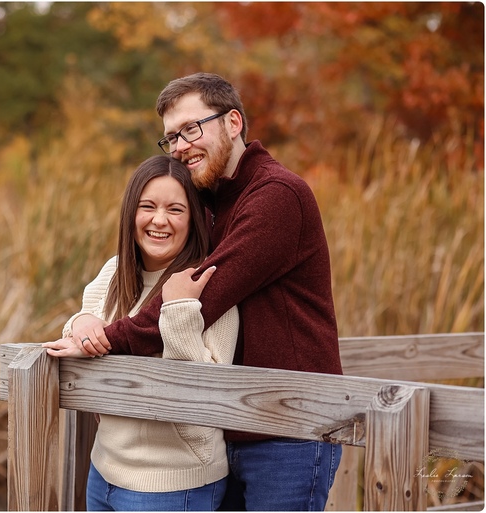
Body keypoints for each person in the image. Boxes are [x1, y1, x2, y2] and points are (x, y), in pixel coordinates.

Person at [69, 72, 343, 511]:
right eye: (171, 137)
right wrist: (85, 322)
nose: (180, 146)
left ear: (233, 123)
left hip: (288, 425)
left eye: (191, 128)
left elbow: (199, 298)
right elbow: (135, 276)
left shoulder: (277, 196)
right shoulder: (213, 200)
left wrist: (108, 342)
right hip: (228, 421)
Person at [42, 155, 240, 511]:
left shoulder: (209, 285)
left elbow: (204, 397)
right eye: (147, 206)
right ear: (131, 214)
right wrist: (79, 323)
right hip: (103, 472)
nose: (159, 220)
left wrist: (179, 309)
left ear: (194, 218)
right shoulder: (115, 272)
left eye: (175, 210)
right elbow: (87, 328)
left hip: (174, 485)